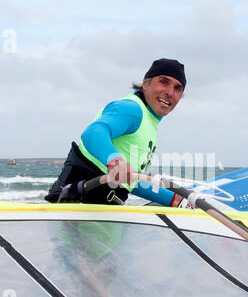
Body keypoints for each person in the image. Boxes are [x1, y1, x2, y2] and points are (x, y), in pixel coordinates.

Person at [45, 58, 189, 206]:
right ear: (146, 84)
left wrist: (173, 199)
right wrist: (114, 160)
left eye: (177, 88)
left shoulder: (149, 123)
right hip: (74, 207)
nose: (170, 92)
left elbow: (130, 181)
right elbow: (94, 132)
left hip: (102, 216)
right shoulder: (132, 109)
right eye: (164, 82)